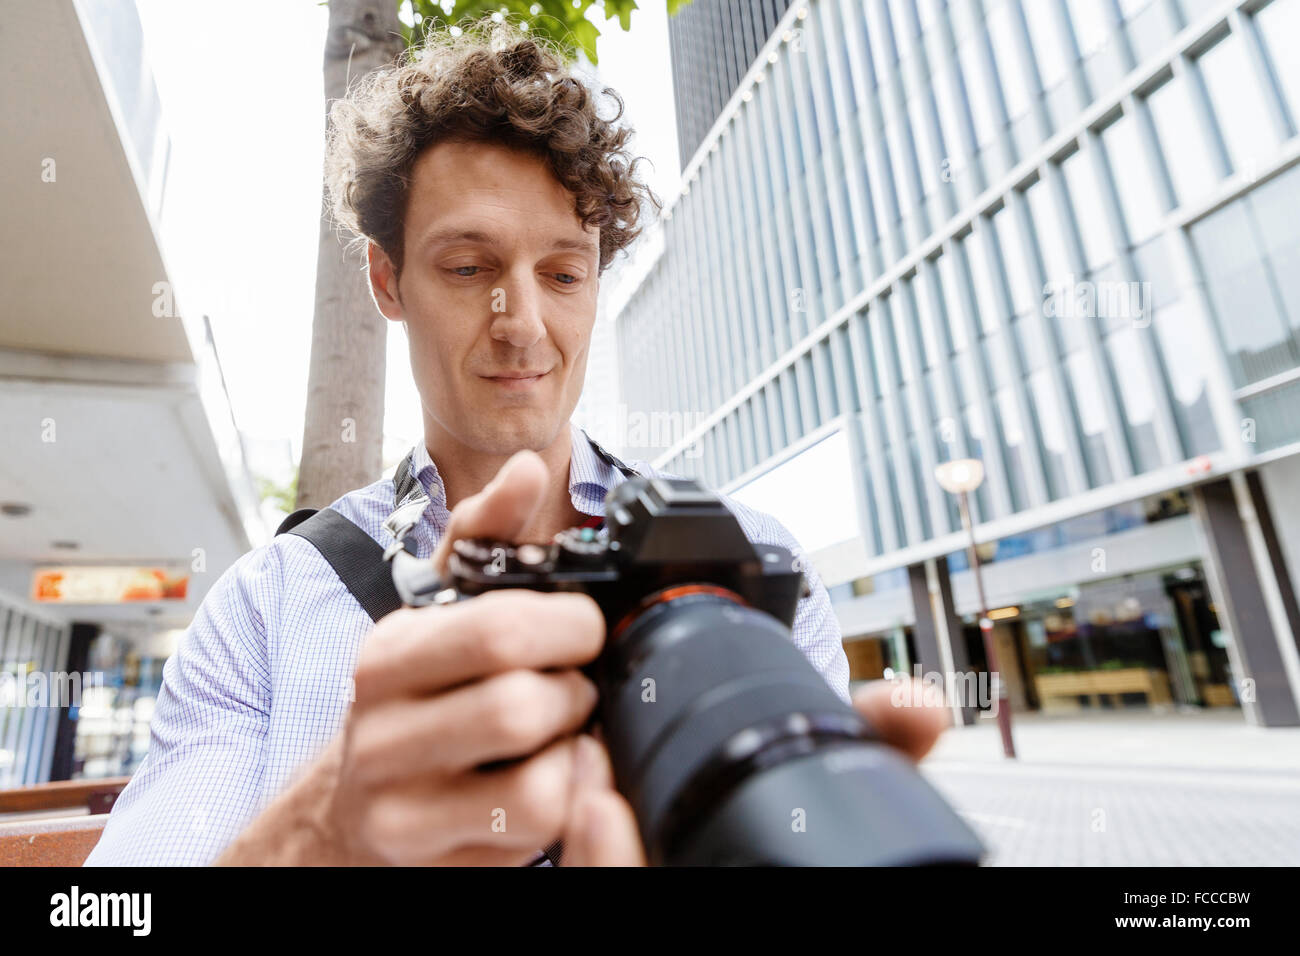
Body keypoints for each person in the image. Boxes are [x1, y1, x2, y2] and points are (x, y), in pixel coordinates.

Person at [85, 20, 950, 867]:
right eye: (469, 268)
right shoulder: (267, 607)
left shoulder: (753, 562)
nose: (523, 325)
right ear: (388, 281)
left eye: (565, 273)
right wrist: (322, 842)